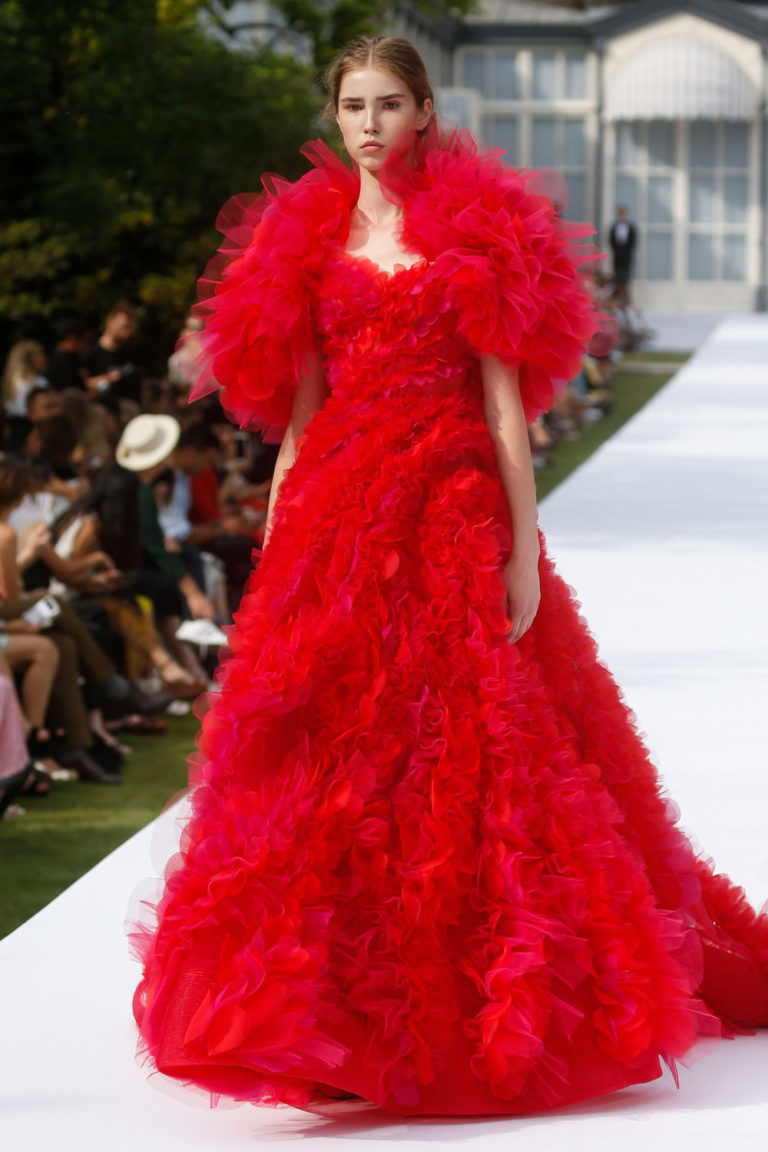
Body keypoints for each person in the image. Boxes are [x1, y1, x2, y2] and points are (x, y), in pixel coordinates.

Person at [129, 36, 768, 1117]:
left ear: (425, 112)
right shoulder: (309, 243)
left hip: (450, 515)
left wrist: (519, 547)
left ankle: (454, 1014)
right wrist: (281, 549)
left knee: (472, 756)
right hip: (336, 514)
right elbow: (300, 421)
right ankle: (321, 1021)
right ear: (334, 117)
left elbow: (507, 410)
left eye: (389, 104)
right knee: (328, 762)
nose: (370, 123)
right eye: (352, 105)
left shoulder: (479, 231)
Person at [83, 301, 142, 406]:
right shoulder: (90, 352)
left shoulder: (131, 352)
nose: (127, 332)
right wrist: (107, 379)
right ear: (109, 321)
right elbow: (81, 384)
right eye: (124, 326)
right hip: (103, 408)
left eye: (130, 328)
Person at [608, 204, 637, 307]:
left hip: (627, 256)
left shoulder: (631, 228)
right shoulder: (614, 227)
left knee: (626, 277)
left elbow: (633, 242)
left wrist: (626, 251)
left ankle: (625, 297)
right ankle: (617, 296)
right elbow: (611, 241)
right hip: (617, 256)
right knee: (617, 276)